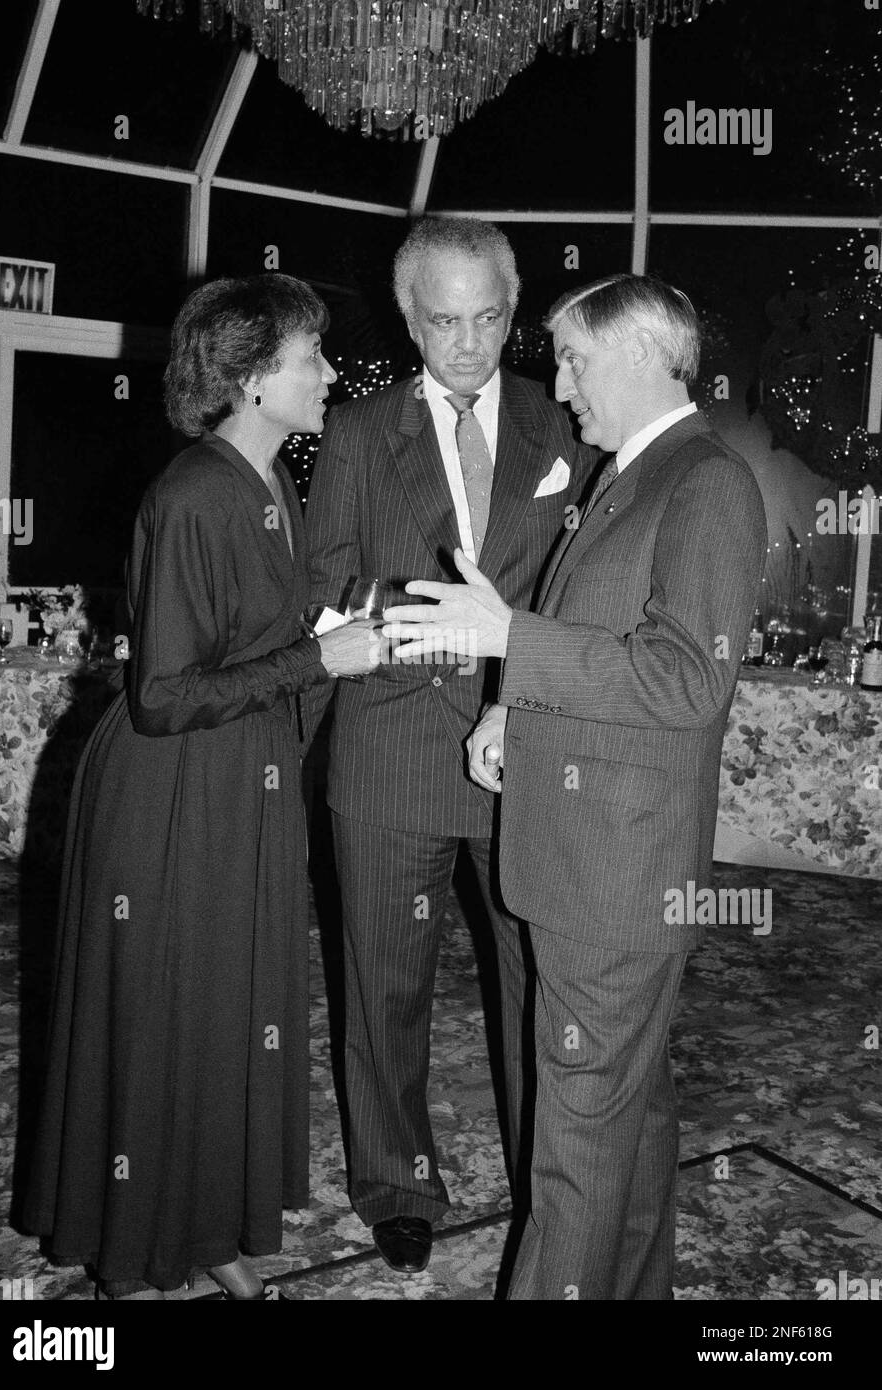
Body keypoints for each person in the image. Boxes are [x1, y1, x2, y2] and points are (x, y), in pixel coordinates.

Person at [382, 273, 768, 1299]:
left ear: (640, 353)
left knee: (574, 1154)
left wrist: (508, 636)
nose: (559, 382)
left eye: (574, 359)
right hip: (582, 862)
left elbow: (687, 678)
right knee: (626, 1124)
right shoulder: (628, 474)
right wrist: (517, 710)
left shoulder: (705, 482)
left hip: (617, 876)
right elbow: (607, 648)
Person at [23, 274, 378, 1300]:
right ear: (254, 378)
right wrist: (322, 660)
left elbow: (245, 640)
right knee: (167, 1014)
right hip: (175, 792)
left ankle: (212, 1224)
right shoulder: (192, 493)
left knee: (229, 1011)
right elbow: (166, 696)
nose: (327, 373)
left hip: (241, 781)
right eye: (310, 357)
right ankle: (134, 1252)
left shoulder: (270, 481)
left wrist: (320, 637)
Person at [304, 216, 594, 1274]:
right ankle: (396, 1183)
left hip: (525, 745)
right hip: (388, 749)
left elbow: (583, 577)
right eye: (443, 320)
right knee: (381, 987)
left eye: (488, 318)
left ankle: (546, 1175)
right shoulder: (353, 430)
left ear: (512, 311)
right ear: (407, 317)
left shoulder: (562, 421)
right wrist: (422, 621)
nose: (467, 344)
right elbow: (324, 581)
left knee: (537, 977)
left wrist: (515, 680)